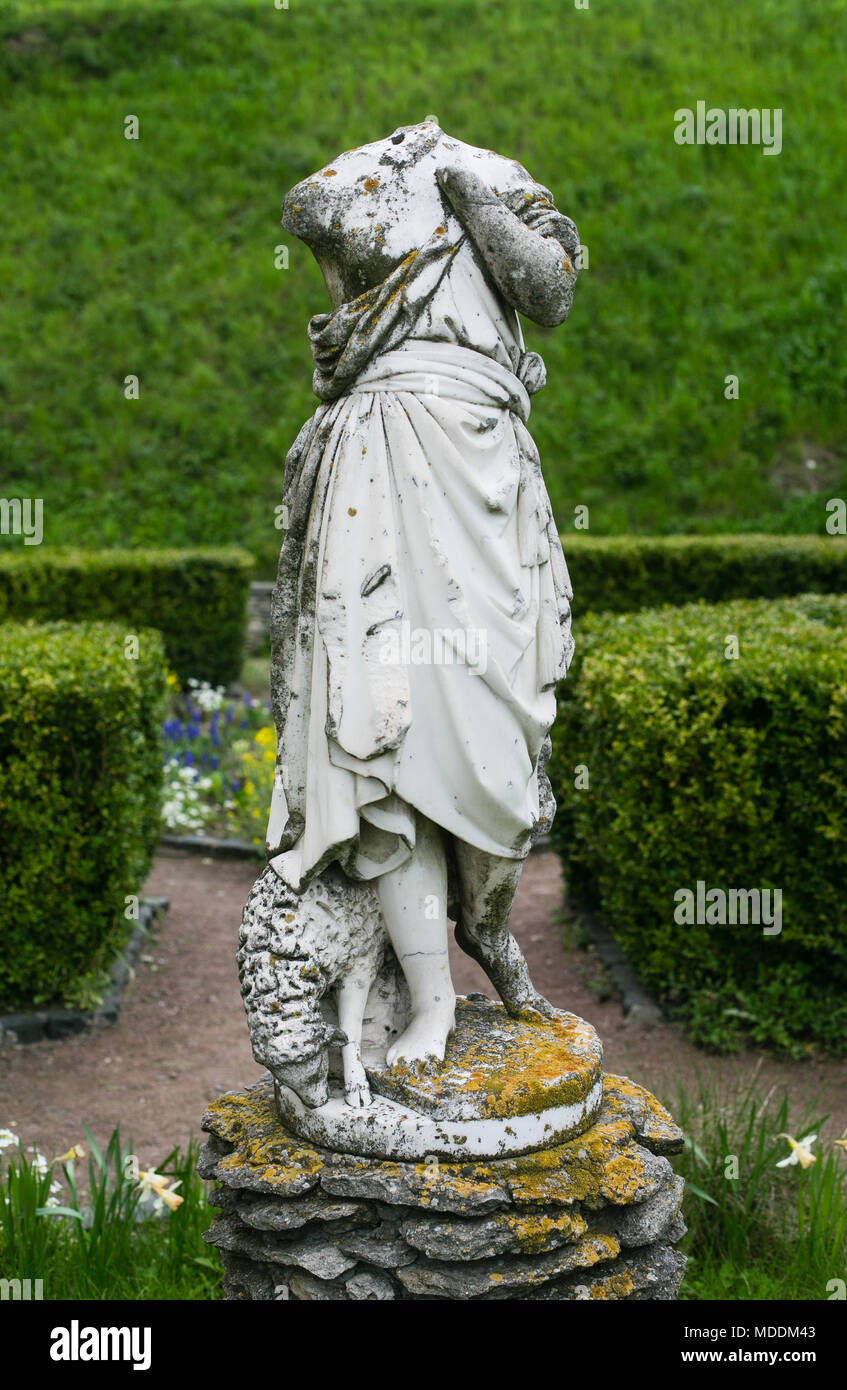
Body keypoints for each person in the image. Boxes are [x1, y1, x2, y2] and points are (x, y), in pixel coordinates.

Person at [266, 121, 579, 1068]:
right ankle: (429, 1000)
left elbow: (551, 292)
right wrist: (400, 173)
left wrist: (469, 191)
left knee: (495, 732)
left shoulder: (496, 178)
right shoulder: (344, 188)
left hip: (485, 464)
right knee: (385, 740)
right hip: (382, 457)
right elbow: (311, 214)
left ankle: (487, 927)